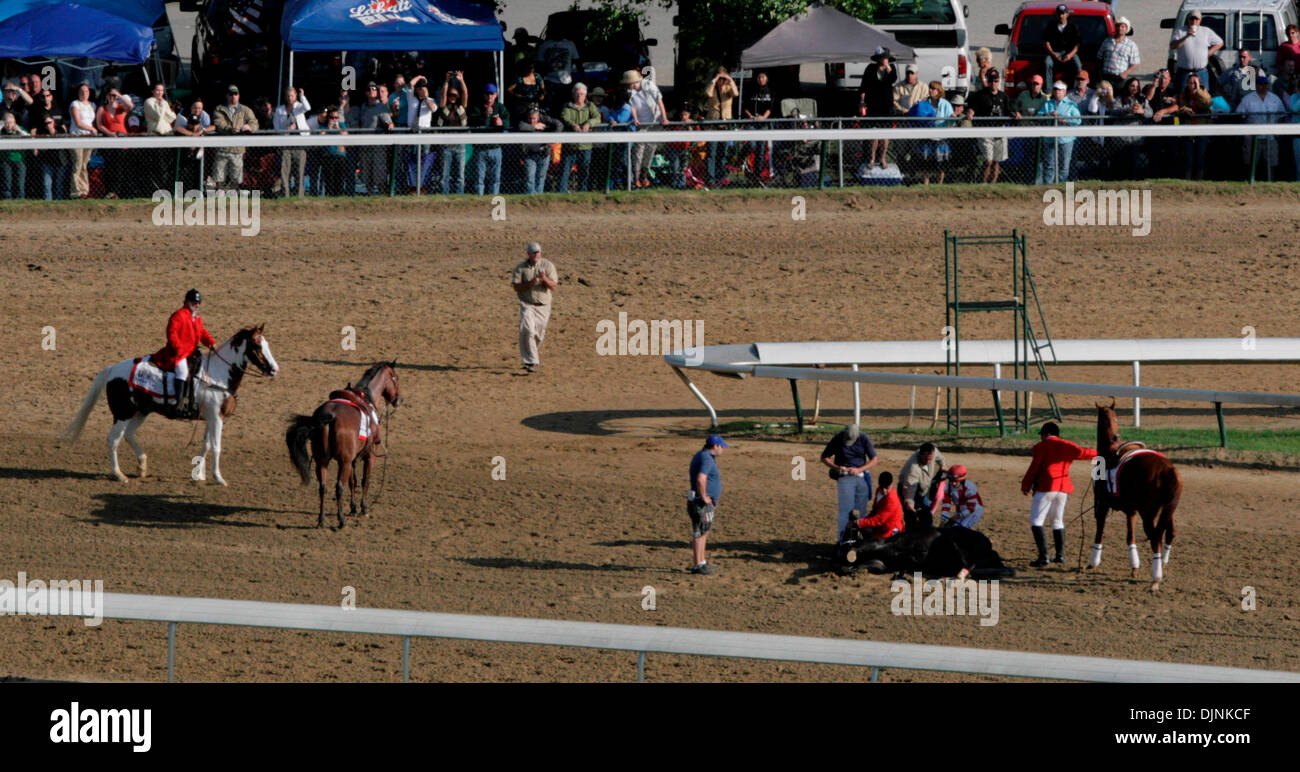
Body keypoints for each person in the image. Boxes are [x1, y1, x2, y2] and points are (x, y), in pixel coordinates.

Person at [1021, 422, 1098, 567]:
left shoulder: (1040, 447)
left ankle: (1043, 557)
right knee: (1057, 520)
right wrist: (1103, 451)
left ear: (1046, 434)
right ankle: (1060, 556)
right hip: (1063, 488)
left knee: (1036, 521)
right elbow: (1086, 453)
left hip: (1046, 487)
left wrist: (1026, 485)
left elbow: (1034, 468)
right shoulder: (1068, 445)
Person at [151, 289, 217, 419]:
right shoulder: (178, 315)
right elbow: (171, 333)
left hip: (192, 353)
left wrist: (212, 344)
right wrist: (178, 348)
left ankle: (193, 401)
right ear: (186, 302)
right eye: (194, 302)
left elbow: (202, 333)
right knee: (182, 372)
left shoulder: (197, 317)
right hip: (177, 354)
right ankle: (178, 403)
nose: (196, 305)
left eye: (198, 302)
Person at [821, 423, 879, 540]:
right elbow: (824, 457)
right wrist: (838, 467)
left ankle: (859, 538)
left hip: (861, 475)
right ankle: (842, 539)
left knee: (861, 510)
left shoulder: (863, 438)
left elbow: (874, 459)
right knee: (845, 509)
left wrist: (859, 469)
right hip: (845, 475)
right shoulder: (838, 438)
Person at [511, 241, 557, 373]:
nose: (536, 254)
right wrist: (530, 283)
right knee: (527, 330)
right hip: (527, 304)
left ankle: (531, 355)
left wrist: (544, 279)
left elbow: (553, 286)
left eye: (538, 252)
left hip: (543, 305)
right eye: (533, 252)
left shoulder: (548, 266)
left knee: (538, 335)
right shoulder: (521, 268)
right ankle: (532, 361)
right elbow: (516, 287)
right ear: (528, 254)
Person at [687, 434, 729, 575]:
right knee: (701, 532)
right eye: (722, 446)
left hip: (697, 500)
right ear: (716, 446)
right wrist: (704, 496)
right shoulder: (707, 459)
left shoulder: (701, 455)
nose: (723, 449)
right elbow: (701, 478)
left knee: (703, 531)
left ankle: (701, 562)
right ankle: (698, 564)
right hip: (701, 503)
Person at [1237, 75, 1286, 179]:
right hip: (1252, 138)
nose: (1263, 87)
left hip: (1271, 137)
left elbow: (1282, 116)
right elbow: (1239, 116)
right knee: (1250, 164)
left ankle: (1270, 185)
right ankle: (1250, 184)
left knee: (1271, 164)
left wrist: (1278, 131)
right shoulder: (1247, 99)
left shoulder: (1275, 99)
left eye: (1265, 85)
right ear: (1256, 86)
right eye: (1260, 85)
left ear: (1268, 86)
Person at [968, 68, 1012, 183]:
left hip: (999, 130)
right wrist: (971, 112)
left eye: (996, 81)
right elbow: (973, 108)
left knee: (996, 160)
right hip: (985, 130)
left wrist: (1015, 113)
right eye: (991, 81)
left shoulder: (1003, 96)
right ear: (988, 81)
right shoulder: (981, 95)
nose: (994, 83)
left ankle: (993, 184)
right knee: (988, 160)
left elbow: (1008, 110)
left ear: (999, 81)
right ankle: (983, 184)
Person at [624, 69, 666, 188]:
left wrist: (664, 117)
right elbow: (633, 106)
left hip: (654, 122)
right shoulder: (631, 92)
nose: (628, 86)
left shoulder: (649, 86)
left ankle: (644, 176)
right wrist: (635, 118)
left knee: (650, 150)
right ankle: (636, 178)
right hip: (641, 124)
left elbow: (659, 101)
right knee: (638, 151)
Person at [212, 85, 258, 191]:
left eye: (235, 94)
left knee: (236, 178)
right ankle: (220, 196)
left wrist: (249, 127)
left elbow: (254, 122)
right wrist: (230, 129)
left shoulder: (246, 110)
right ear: (227, 96)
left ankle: (234, 198)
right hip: (222, 148)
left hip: (238, 149)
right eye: (231, 94)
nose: (233, 96)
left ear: (239, 96)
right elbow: (218, 123)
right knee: (219, 176)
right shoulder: (219, 109)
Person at [859, 47, 897, 169]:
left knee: (885, 134)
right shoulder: (870, 68)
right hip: (873, 105)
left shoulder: (892, 68)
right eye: (882, 57)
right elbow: (863, 86)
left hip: (886, 106)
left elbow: (893, 79)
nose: (884, 59)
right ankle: (872, 158)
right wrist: (862, 102)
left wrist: (888, 67)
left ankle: (882, 158)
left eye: (885, 57)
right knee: (874, 133)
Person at [559, 83, 601, 192]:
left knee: (584, 171)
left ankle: (582, 193)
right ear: (573, 94)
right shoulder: (567, 106)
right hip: (570, 146)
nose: (579, 96)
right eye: (577, 94)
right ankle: (561, 194)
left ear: (585, 95)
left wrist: (589, 123)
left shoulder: (590, 106)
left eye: (582, 94)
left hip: (585, 145)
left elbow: (597, 117)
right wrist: (573, 125)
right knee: (565, 171)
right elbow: (564, 117)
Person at [1037, 81, 1081, 184]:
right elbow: (1039, 116)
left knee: (1064, 166)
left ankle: (1061, 186)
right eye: (1056, 89)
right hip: (1050, 139)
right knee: (1049, 165)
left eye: (1060, 90)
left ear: (1065, 92)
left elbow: (1077, 121)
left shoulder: (1072, 104)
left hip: (1066, 139)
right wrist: (1049, 115)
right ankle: (1047, 187)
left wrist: (1063, 120)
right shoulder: (1048, 104)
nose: (1057, 92)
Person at [1169, 10, 1223, 92]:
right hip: (1184, 71)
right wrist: (1187, 36)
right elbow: (1173, 46)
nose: (1194, 21)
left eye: (1196, 19)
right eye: (1192, 19)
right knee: (1182, 96)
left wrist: (1208, 53)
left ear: (1200, 21)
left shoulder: (1206, 31)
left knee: (1203, 97)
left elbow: (1219, 43)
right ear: (1188, 19)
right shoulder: (1180, 31)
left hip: (1201, 72)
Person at [355, 82, 394, 195]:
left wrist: (389, 126)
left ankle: (383, 197)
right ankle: (371, 196)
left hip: (378, 148)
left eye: (373, 89)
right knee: (366, 175)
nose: (371, 91)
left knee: (379, 175)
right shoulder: (363, 107)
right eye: (369, 89)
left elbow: (389, 123)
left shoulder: (381, 107)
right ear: (366, 93)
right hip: (364, 147)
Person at [469, 83, 508, 195]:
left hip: (496, 148)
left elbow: (508, 122)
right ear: (484, 95)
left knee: (495, 178)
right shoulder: (477, 107)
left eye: (492, 94)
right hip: (481, 148)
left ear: (496, 95)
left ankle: (493, 198)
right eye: (487, 94)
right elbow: (472, 121)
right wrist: (484, 116)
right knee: (479, 179)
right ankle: (479, 200)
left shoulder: (500, 108)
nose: (489, 96)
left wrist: (502, 123)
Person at [274, 86, 312, 197]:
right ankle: (286, 195)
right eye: (288, 96)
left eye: (292, 95)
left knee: (299, 171)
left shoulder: (299, 107)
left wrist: (302, 96)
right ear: (285, 97)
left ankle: (299, 195)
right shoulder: (279, 110)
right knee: (285, 171)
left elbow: (308, 107)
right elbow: (276, 127)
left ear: (295, 96)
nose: (290, 98)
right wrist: (286, 130)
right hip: (285, 144)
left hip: (299, 143)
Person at [94, 87, 131, 198]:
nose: (112, 97)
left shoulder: (121, 108)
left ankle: (118, 192)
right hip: (109, 140)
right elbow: (99, 124)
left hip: (122, 140)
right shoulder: (102, 108)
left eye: (114, 96)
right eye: (110, 95)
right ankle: (110, 191)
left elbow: (130, 106)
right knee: (110, 166)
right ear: (106, 96)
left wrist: (119, 95)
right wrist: (109, 133)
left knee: (120, 167)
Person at [516, 103, 562, 194]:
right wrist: (534, 127)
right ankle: (531, 197)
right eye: (530, 118)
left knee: (541, 178)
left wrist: (552, 140)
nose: (532, 120)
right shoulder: (523, 120)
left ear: (538, 116)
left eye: (534, 118)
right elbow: (520, 126)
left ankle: (539, 198)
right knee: (530, 178)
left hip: (543, 153)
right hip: (529, 154)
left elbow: (559, 125)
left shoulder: (545, 118)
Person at [899, 442, 945, 529]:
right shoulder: (913, 468)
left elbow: (941, 458)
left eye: (930, 459)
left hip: (924, 488)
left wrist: (943, 465)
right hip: (908, 489)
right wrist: (910, 505)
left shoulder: (933, 451)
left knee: (927, 515)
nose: (928, 462)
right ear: (920, 455)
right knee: (911, 519)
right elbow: (909, 489)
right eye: (925, 459)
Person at [436, 72, 468, 195]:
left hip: (460, 146)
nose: (452, 97)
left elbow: (465, 94)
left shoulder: (461, 107)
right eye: (450, 95)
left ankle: (459, 196)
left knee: (460, 176)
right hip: (446, 146)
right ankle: (445, 196)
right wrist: (446, 81)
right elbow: (443, 96)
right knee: (445, 176)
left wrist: (461, 80)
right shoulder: (445, 108)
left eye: (454, 95)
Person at [848, 470, 903, 540]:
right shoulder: (878, 491)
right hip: (881, 527)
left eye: (887, 488)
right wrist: (862, 522)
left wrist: (858, 523)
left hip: (890, 531)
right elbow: (875, 511)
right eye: (882, 487)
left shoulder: (892, 500)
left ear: (891, 484)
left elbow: (879, 520)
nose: (884, 491)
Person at [1177, 73, 1213, 180]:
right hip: (1189, 130)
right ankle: (1188, 179)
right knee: (1189, 157)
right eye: (1190, 82)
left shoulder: (1204, 92)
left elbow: (1208, 103)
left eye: (1195, 82)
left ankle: (1199, 180)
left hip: (1202, 129)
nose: (1192, 85)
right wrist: (1185, 110)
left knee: (1200, 156)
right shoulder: (1184, 94)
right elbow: (1180, 106)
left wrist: (1198, 90)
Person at [1098, 17, 1140, 94]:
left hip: (1120, 80)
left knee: (1118, 100)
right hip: (1106, 77)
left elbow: (1136, 63)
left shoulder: (1131, 45)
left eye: (1122, 26)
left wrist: (1126, 73)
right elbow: (1100, 57)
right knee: (1105, 99)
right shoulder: (1107, 41)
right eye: (1118, 26)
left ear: (1126, 29)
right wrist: (1100, 74)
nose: (1120, 28)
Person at [1043, 4, 1082, 86]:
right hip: (1055, 52)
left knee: (1078, 65)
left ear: (1067, 14)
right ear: (1056, 14)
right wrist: (1054, 54)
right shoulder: (1051, 26)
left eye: (1063, 13)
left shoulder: (1073, 27)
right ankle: (1049, 90)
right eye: (1059, 13)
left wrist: (1070, 55)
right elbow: (1046, 42)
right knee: (1047, 63)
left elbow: (1077, 45)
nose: (1061, 16)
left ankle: (1076, 89)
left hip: (1069, 53)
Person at [939, 465, 984, 530]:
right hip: (960, 511)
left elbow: (971, 508)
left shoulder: (970, 487)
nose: (953, 483)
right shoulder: (948, 487)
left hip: (974, 511)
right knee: (949, 528)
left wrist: (958, 516)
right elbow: (946, 504)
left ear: (962, 480)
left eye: (956, 481)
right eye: (951, 480)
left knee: (961, 530)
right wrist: (943, 520)